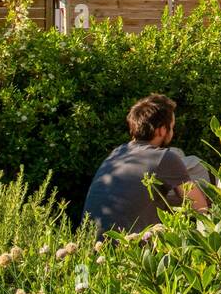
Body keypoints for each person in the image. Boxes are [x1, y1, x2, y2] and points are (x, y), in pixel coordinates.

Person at [83, 95, 207, 234]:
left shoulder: (116, 154)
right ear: (161, 130)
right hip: (130, 249)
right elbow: (201, 209)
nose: (173, 132)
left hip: (90, 248)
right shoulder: (165, 157)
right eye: (171, 127)